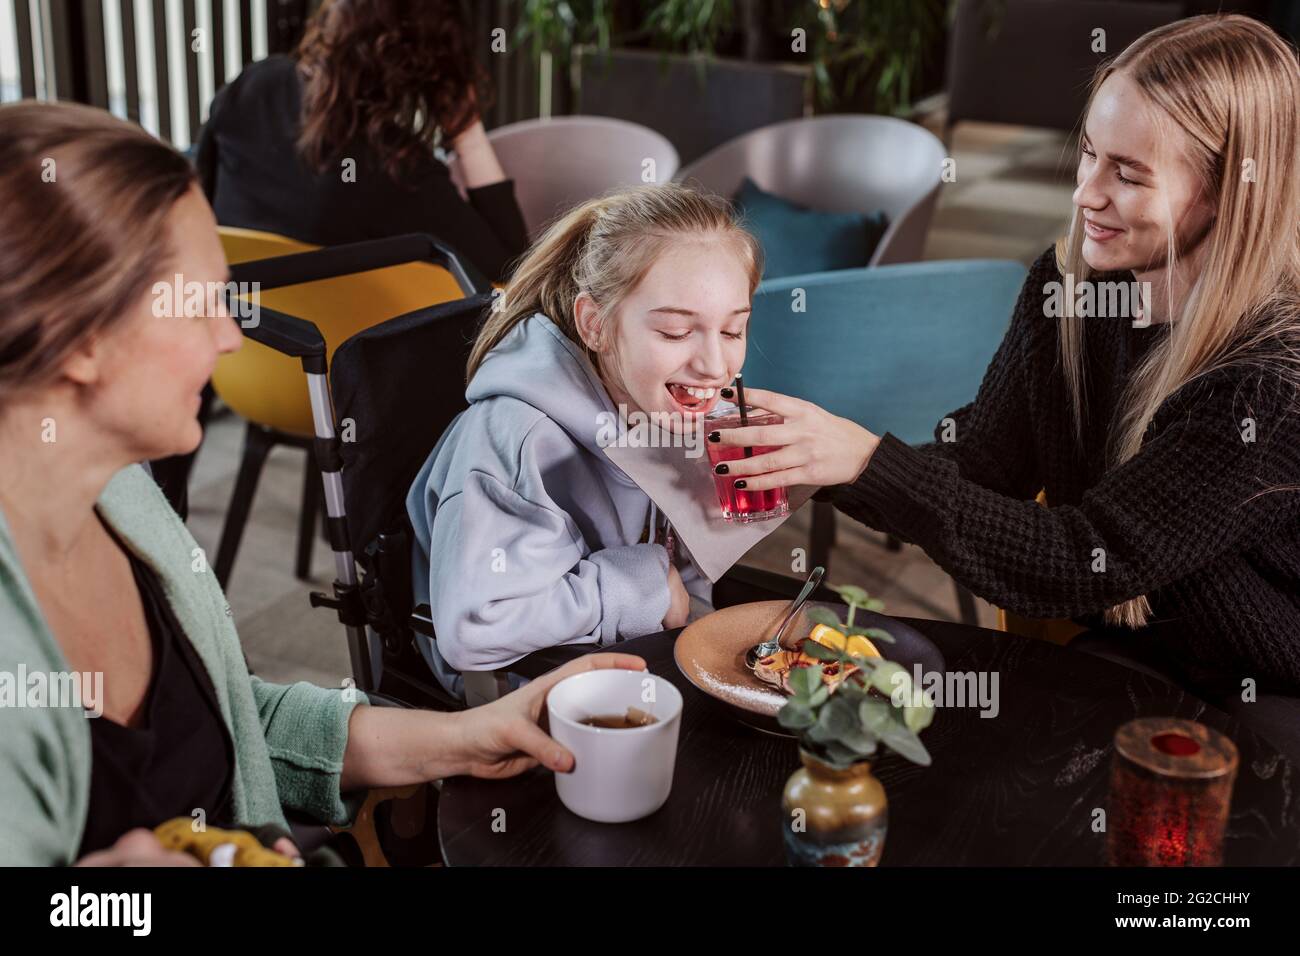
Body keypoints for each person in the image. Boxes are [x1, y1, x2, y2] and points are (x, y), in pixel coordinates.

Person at [0, 100, 643, 867]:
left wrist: (467, 733)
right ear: (79, 341)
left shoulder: (123, 497)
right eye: (198, 303)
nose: (229, 338)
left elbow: (239, 726)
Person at [707, 15, 1300, 754]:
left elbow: (1085, 559)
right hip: (1139, 655)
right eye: (1087, 154)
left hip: (1267, 697)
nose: (1085, 194)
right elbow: (982, 464)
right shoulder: (1068, 293)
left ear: (1227, 193)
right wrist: (815, 461)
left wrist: (864, 460)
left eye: (1128, 173)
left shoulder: (1266, 384)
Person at [406, 184, 763, 698]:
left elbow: (685, 584)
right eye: (675, 332)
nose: (715, 366)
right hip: (520, 686)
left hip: (647, 649)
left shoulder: (670, 407)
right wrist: (640, 586)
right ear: (594, 325)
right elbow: (473, 628)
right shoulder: (515, 440)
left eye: (732, 332)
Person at [195, 0, 527, 284]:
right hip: (339, 355)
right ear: (430, 59)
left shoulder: (254, 85)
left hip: (240, 343)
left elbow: (200, 199)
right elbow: (509, 271)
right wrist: (467, 132)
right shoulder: (399, 170)